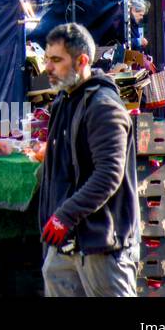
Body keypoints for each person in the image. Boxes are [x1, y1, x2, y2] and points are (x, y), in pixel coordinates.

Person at [38, 22, 139, 297]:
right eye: (47, 59)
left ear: (82, 61)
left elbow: (108, 175)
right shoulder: (63, 101)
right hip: (64, 246)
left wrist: (64, 216)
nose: (48, 67)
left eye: (56, 60)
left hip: (102, 245)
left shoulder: (103, 106)